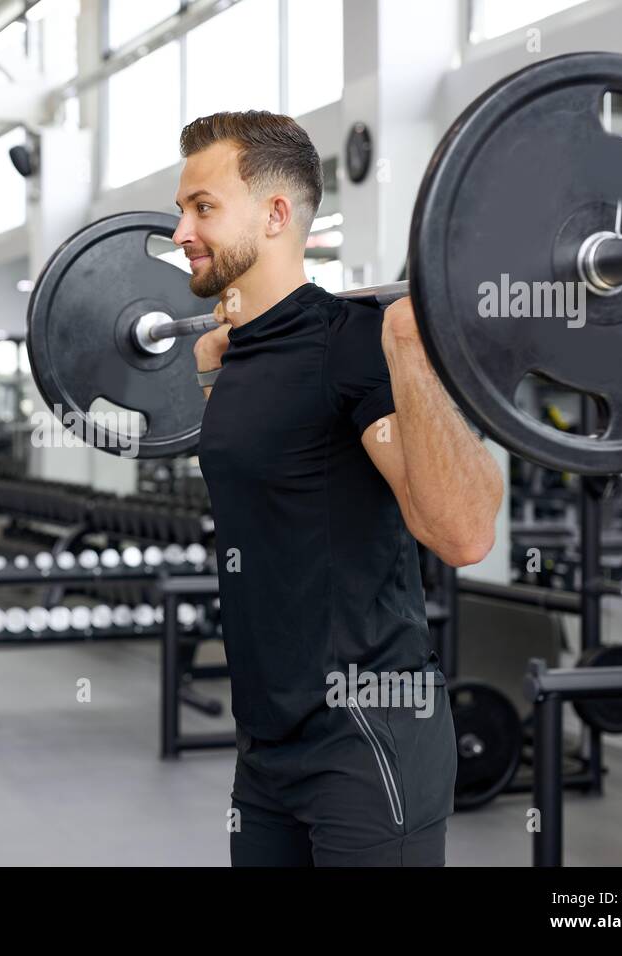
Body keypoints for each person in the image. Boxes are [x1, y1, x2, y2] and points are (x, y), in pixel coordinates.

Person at [180, 111, 504, 866]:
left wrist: (409, 352)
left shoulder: (352, 345)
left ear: (275, 214)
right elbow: (266, 488)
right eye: (181, 209)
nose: (180, 231)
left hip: (367, 737)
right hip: (265, 742)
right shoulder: (229, 357)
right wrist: (206, 374)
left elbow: (465, 535)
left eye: (202, 207)